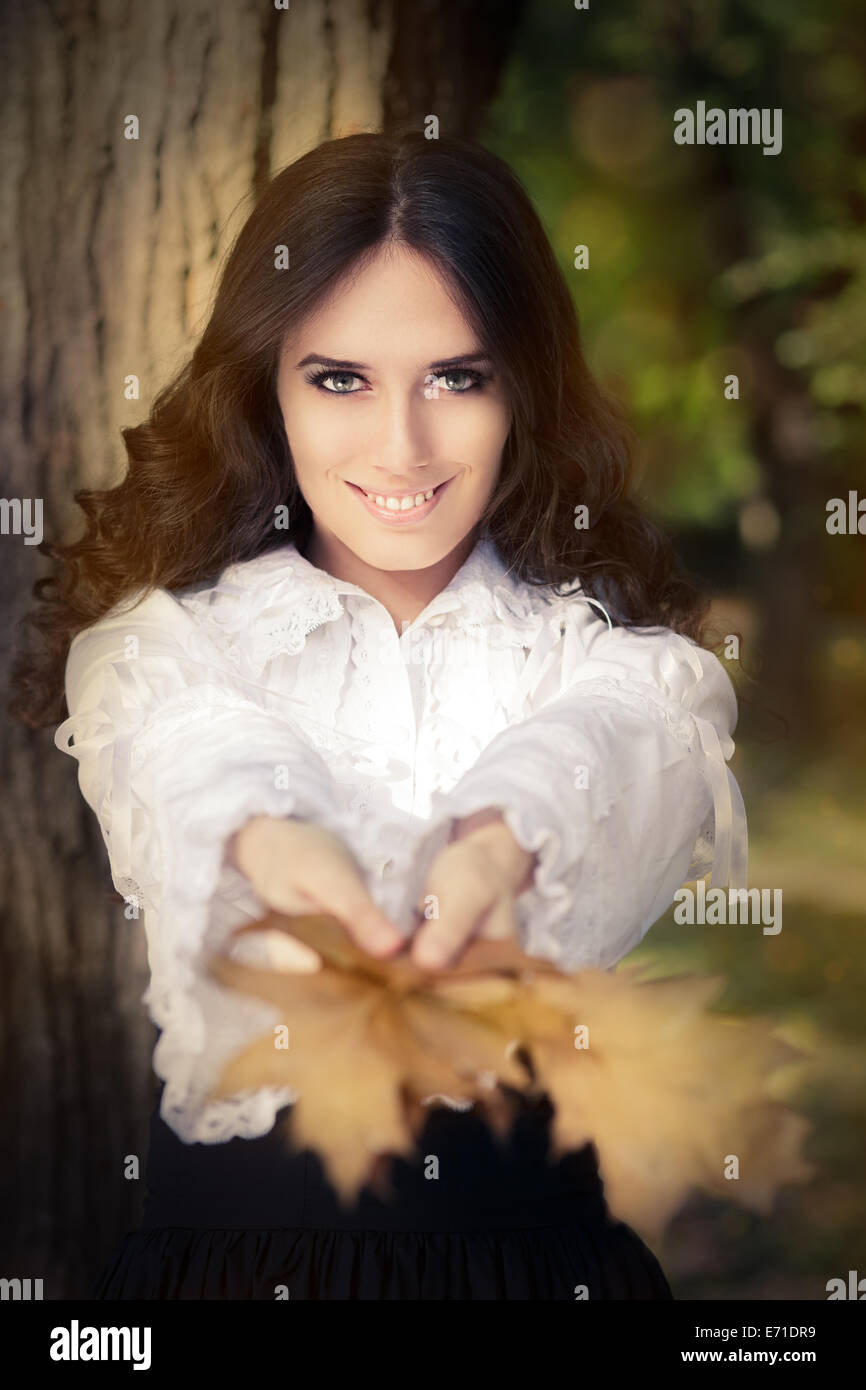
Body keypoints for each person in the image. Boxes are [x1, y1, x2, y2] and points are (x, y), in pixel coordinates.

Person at [16, 130, 747, 1299]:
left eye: (456, 377)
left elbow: (607, 742)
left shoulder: (609, 665)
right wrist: (278, 846)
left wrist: (495, 845)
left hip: (530, 1272)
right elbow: (196, 758)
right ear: (267, 385)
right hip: (227, 1277)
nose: (400, 447)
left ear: (523, 388)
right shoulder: (162, 649)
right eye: (339, 378)